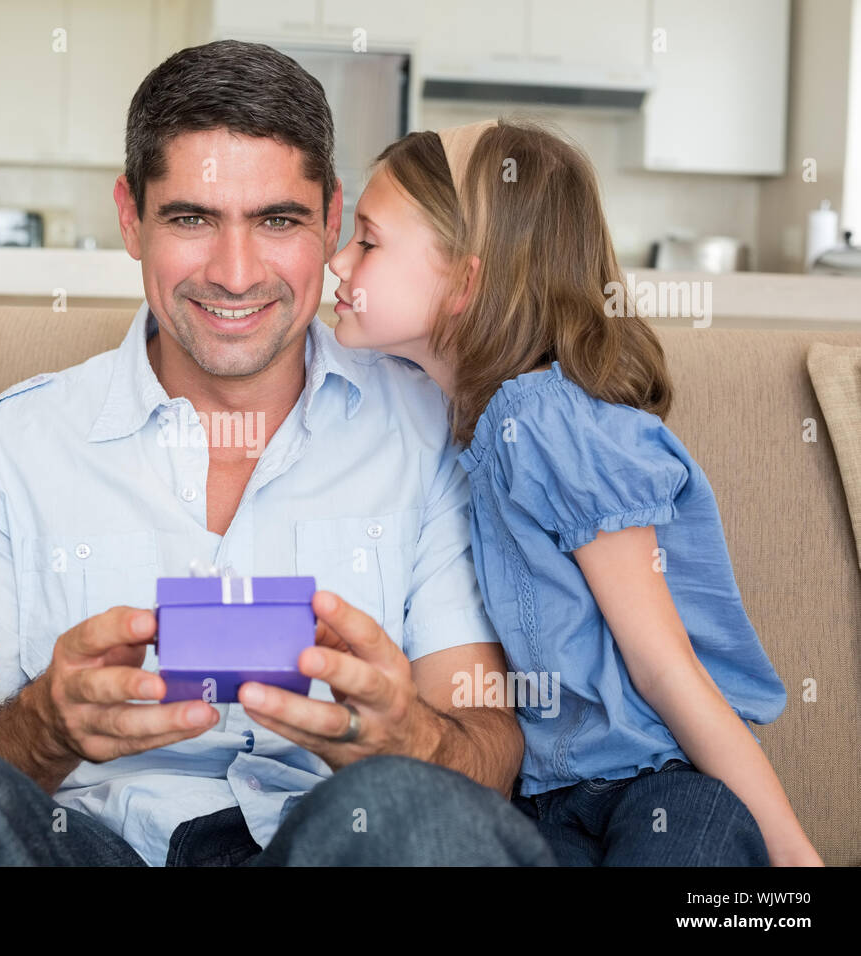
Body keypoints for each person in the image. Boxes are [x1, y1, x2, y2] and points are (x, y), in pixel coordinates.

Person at [0, 41, 556, 867]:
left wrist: (413, 741)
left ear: (332, 219)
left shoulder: (426, 428)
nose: (234, 273)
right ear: (129, 218)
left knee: (416, 810)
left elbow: (488, 748)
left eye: (278, 221)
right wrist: (42, 726)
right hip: (88, 846)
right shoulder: (16, 446)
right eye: (191, 218)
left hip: (332, 838)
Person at [326, 118, 822, 866]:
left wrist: (795, 862)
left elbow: (665, 666)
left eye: (367, 240)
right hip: (552, 799)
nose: (338, 262)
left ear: (467, 280)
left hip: (663, 785)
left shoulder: (549, 422)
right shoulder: (471, 420)